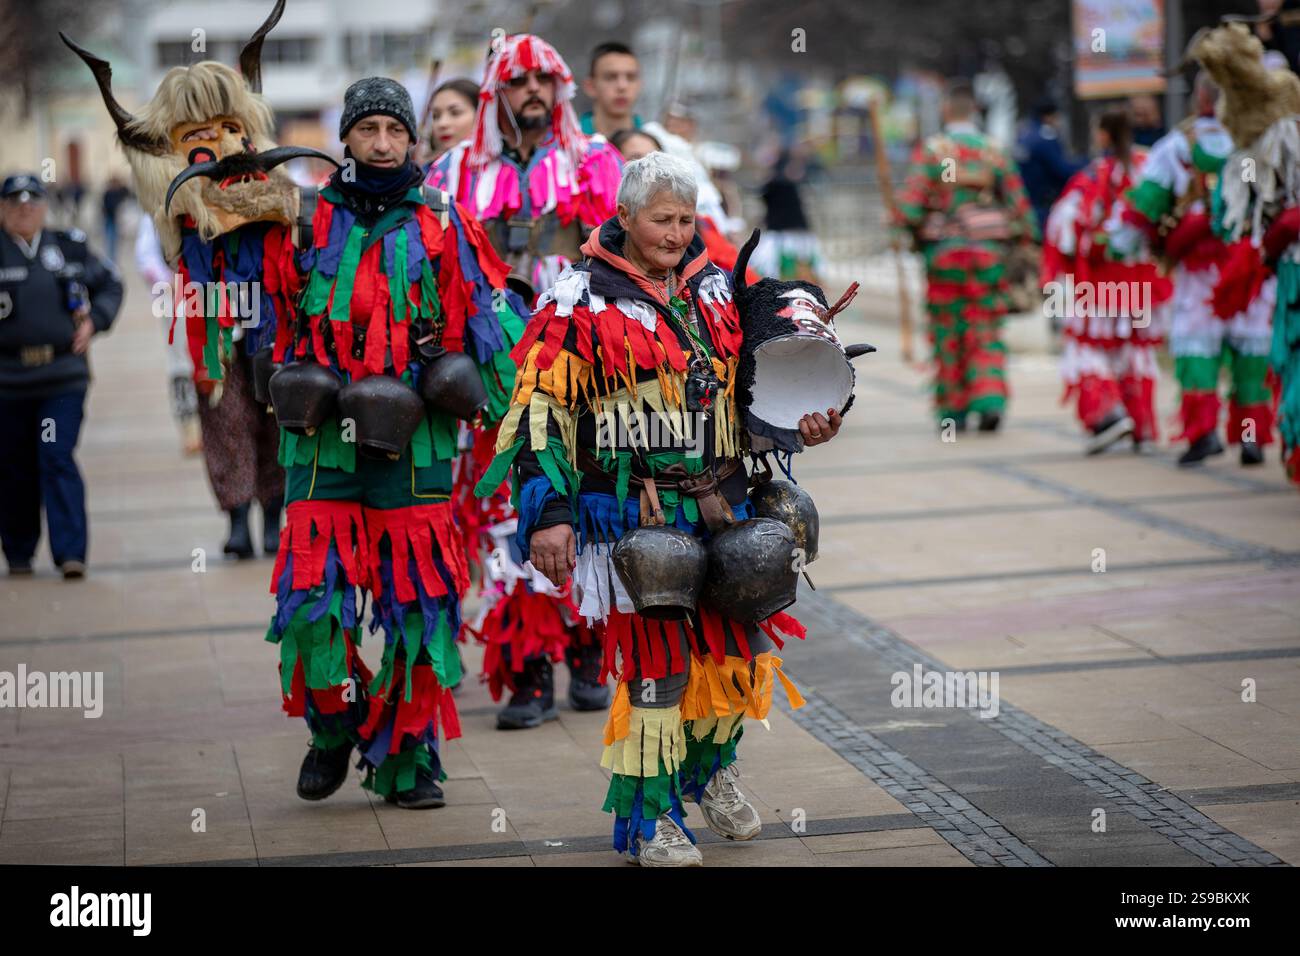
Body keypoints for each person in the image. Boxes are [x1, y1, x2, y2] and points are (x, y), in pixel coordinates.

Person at [474, 152, 837, 864]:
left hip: (726, 501)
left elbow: (759, 385)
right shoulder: (577, 299)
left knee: (738, 656)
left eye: (685, 219)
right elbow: (539, 411)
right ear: (624, 217)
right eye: (661, 220)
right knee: (658, 671)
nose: (675, 234)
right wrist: (547, 514)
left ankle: (710, 775)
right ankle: (649, 819)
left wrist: (808, 418)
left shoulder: (720, 287)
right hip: (634, 517)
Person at [266, 76, 527, 806]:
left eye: (395, 131)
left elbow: (489, 325)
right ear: (345, 138)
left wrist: (520, 422)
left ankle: (407, 759)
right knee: (310, 602)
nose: (382, 144)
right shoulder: (307, 219)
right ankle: (332, 725)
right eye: (367, 130)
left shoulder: (444, 222)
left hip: (416, 445)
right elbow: (271, 316)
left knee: (420, 607)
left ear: (413, 140)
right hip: (321, 445)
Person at [429, 33, 623, 730]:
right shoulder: (453, 172)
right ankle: (530, 671)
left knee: (592, 495)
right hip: (495, 363)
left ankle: (590, 650)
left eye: (546, 78)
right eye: (520, 81)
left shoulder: (596, 160)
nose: (534, 90)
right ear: (496, 92)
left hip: (585, 361)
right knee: (513, 509)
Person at [1109, 71, 1273, 467]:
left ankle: (1204, 435)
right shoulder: (1257, 140)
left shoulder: (1176, 146)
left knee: (1198, 348)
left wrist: (1119, 243)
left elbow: (1146, 202)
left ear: (1199, 97)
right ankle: (1251, 440)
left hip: (1199, 270)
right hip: (1248, 265)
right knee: (1251, 347)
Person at [895, 81, 1038, 432]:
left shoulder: (933, 151)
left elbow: (910, 208)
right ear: (974, 111)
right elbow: (1019, 207)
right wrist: (1025, 242)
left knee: (948, 334)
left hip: (945, 259)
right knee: (985, 330)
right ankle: (989, 400)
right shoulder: (994, 151)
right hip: (988, 258)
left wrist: (903, 228)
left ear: (946, 111)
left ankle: (953, 411)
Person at [0, 173, 123, 579]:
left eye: (32, 200)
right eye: (15, 202)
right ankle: (18, 552)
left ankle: (71, 553)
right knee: (15, 466)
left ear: (43, 206)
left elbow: (111, 284)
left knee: (54, 454)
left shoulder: (68, 247)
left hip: (60, 380)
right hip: (9, 382)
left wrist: (95, 323)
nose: (24, 208)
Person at [1042, 110, 1171, 453]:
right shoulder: (1150, 169)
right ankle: (1142, 426)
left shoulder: (1093, 177)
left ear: (1102, 136)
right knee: (1135, 352)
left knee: (1088, 349)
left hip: (1099, 284)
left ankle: (1107, 415)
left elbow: (1064, 230)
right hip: (1141, 284)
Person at [134, 214, 200, 456]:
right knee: (181, 362)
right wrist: (168, 281)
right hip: (175, 297)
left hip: (210, 293)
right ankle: (190, 427)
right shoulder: (153, 216)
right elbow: (145, 256)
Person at [1014, 98, 1086, 233]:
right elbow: (1062, 170)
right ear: (1048, 116)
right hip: (1045, 204)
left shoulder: (1023, 134)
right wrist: (1085, 164)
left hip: (1027, 202)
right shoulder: (1046, 137)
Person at [580, 41, 643, 138]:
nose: (622, 86)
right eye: (610, 77)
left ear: (639, 85)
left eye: (631, 77)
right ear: (590, 86)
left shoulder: (661, 143)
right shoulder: (567, 142)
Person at [427, 78, 478, 161]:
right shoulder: (427, 171)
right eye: (436, 116)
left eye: (455, 113)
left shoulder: (501, 170)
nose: (442, 124)